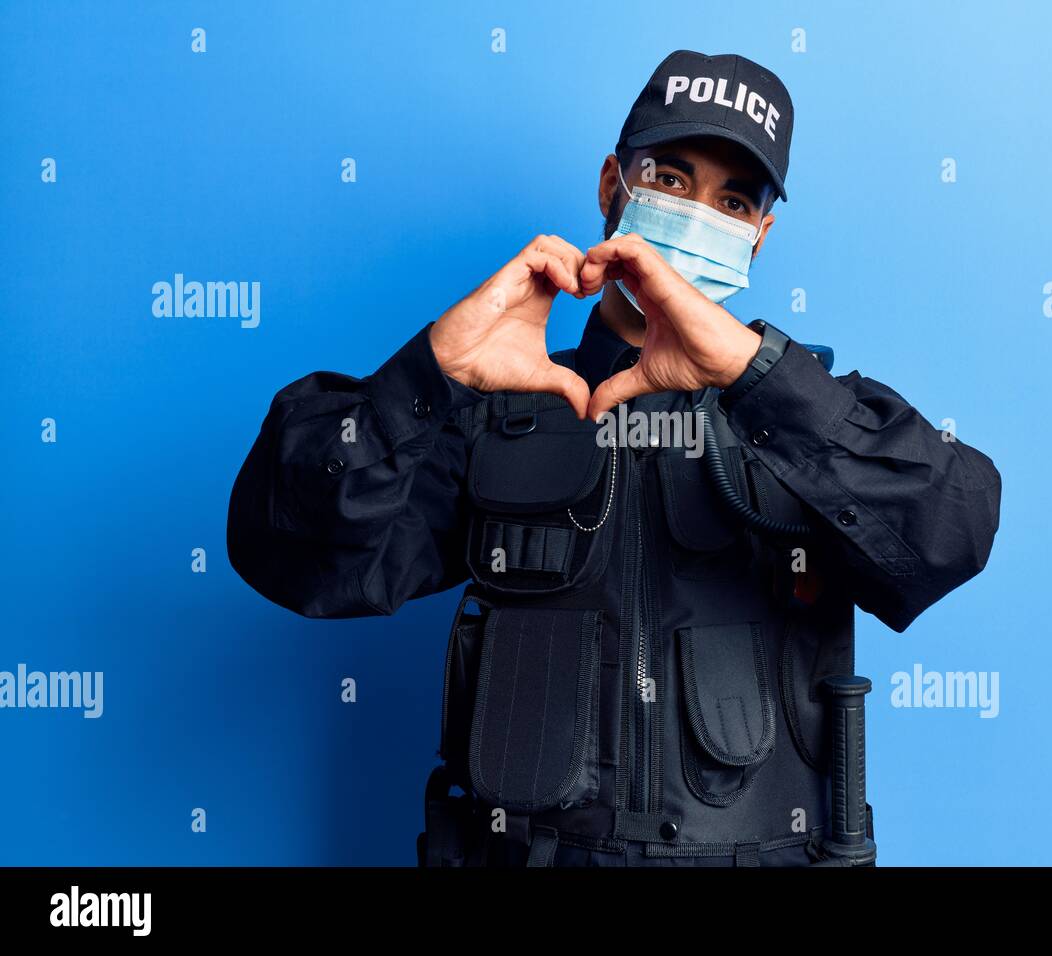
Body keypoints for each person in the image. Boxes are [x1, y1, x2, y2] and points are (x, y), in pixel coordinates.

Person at [226, 50, 1002, 867]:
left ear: (760, 236)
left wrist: (756, 378)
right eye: (669, 178)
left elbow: (952, 529)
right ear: (611, 186)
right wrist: (427, 376)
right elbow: (288, 555)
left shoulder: (810, 420)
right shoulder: (500, 408)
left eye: (734, 199)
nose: (698, 213)